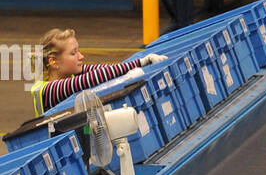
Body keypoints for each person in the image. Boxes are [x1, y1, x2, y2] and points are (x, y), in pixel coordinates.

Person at [30, 28, 167, 115]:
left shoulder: (71, 75)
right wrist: (141, 62)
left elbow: (105, 70)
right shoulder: (51, 90)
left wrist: (143, 62)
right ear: (53, 62)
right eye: (73, 53)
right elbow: (93, 78)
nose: (81, 56)